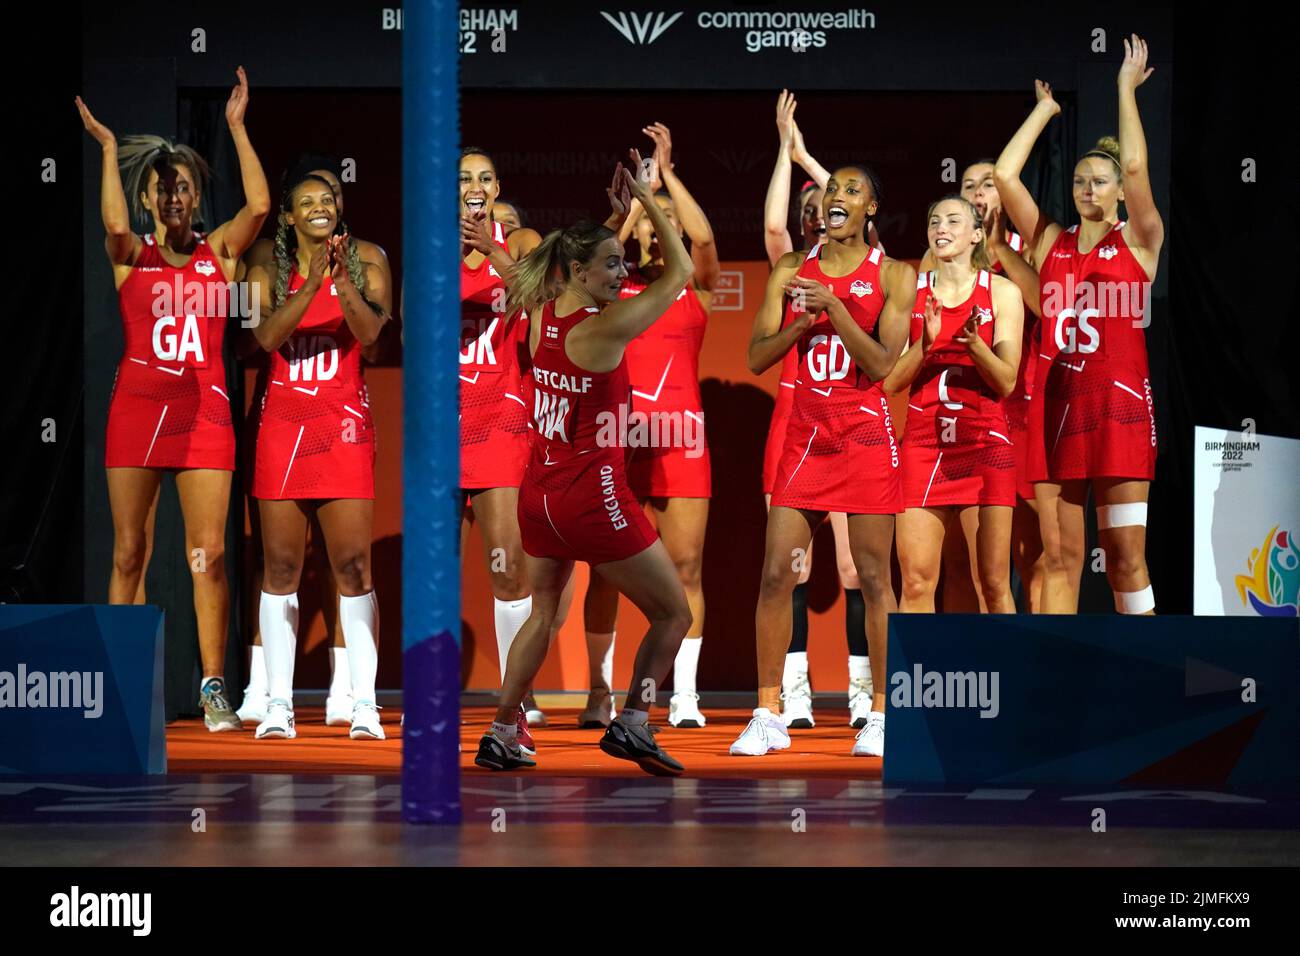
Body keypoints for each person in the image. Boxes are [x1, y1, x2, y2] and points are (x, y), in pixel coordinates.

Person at [475, 154, 693, 775]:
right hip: (592, 496)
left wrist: (615, 222)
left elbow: (569, 259)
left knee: (543, 613)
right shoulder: (604, 329)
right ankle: (635, 720)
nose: (623, 273)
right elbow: (678, 272)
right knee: (674, 613)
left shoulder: (544, 307)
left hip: (538, 494)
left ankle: (500, 732)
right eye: (613, 265)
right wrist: (649, 201)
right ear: (578, 270)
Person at [76, 66, 269, 732]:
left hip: (205, 415)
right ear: (152, 202)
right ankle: (121, 683)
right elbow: (109, 220)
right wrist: (107, 151)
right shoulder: (132, 256)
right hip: (136, 411)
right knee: (130, 551)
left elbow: (261, 208)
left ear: (194, 195)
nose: (174, 197)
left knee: (206, 554)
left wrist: (237, 129)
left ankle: (214, 686)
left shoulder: (221, 252)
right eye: (163, 190)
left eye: (183, 186)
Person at [738, 164, 913, 759]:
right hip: (807, 441)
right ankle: (769, 711)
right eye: (833, 188)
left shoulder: (893, 274)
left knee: (873, 577)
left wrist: (835, 308)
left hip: (864, 439)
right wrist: (801, 323)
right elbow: (756, 356)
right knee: (775, 575)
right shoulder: (792, 271)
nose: (837, 196)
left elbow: (885, 364)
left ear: (871, 209)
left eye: (852, 189)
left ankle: (885, 717)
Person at [994, 36, 1163, 616]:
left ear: (1120, 195)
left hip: (1119, 411)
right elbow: (1005, 175)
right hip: (1061, 411)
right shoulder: (1051, 243)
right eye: (1079, 182)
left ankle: (1144, 683)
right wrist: (1043, 112)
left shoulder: (1139, 243)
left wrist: (1122, 89)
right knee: (1060, 558)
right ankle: (1056, 688)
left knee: (1124, 559)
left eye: (1098, 181)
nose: (1086, 189)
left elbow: (1136, 162)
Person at [236, 153, 392, 726]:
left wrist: (342, 282)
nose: (319, 208)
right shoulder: (263, 266)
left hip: (343, 424)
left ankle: (363, 702)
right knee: (279, 566)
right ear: (289, 217)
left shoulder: (369, 259)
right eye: (307, 204)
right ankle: (278, 701)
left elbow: (372, 336)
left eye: (326, 200)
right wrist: (311, 286)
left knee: (352, 566)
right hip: (281, 425)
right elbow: (267, 334)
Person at [581, 122, 719, 729]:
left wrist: (666, 182)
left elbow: (706, 239)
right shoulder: (615, 290)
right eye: (648, 218)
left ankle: (681, 694)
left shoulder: (695, 290)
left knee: (686, 569)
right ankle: (599, 691)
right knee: (608, 573)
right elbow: (586, 261)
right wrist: (631, 206)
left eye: (665, 218)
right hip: (619, 440)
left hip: (682, 442)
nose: (658, 226)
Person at [760, 90, 880, 730]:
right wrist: (787, 152)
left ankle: (865, 695)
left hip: (855, 427)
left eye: (831, 202)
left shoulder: (869, 260)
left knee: (856, 567)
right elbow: (780, 224)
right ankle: (793, 695)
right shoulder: (794, 264)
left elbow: (848, 195)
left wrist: (810, 157)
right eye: (816, 206)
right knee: (792, 566)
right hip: (796, 425)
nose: (822, 210)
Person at [886, 196, 1024, 614]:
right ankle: (919, 679)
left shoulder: (1002, 292)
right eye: (933, 221)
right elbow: (891, 381)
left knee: (994, 583)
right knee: (915, 580)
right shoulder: (911, 293)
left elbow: (1006, 380)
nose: (940, 228)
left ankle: (1006, 679)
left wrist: (976, 345)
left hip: (984, 443)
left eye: (952, 221)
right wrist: (926, 346)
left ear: (977, 235)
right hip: (925, 444)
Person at [918, 161, 1045, 613]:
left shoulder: (1020, 253)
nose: (976, 192)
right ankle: (948, 672)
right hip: (940, 428)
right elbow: (899, 367)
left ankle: (1022, 669)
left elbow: (1043, 307)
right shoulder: (926, 274)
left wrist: (975, 346)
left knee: (1017, 564)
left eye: (987, 185)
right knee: (947, 566)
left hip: (1014, 416)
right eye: (967, 185)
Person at [458, 148, 547, 743]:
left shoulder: (519, 241)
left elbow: (535, 299)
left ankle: (513, 703)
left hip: (502, 418)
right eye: (464, 178)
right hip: (444, 421)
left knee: (508, 569)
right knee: (435, 572)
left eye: (486, 178)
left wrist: (491, 248)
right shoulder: (429, 246)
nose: (476, 186)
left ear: (497, 189)